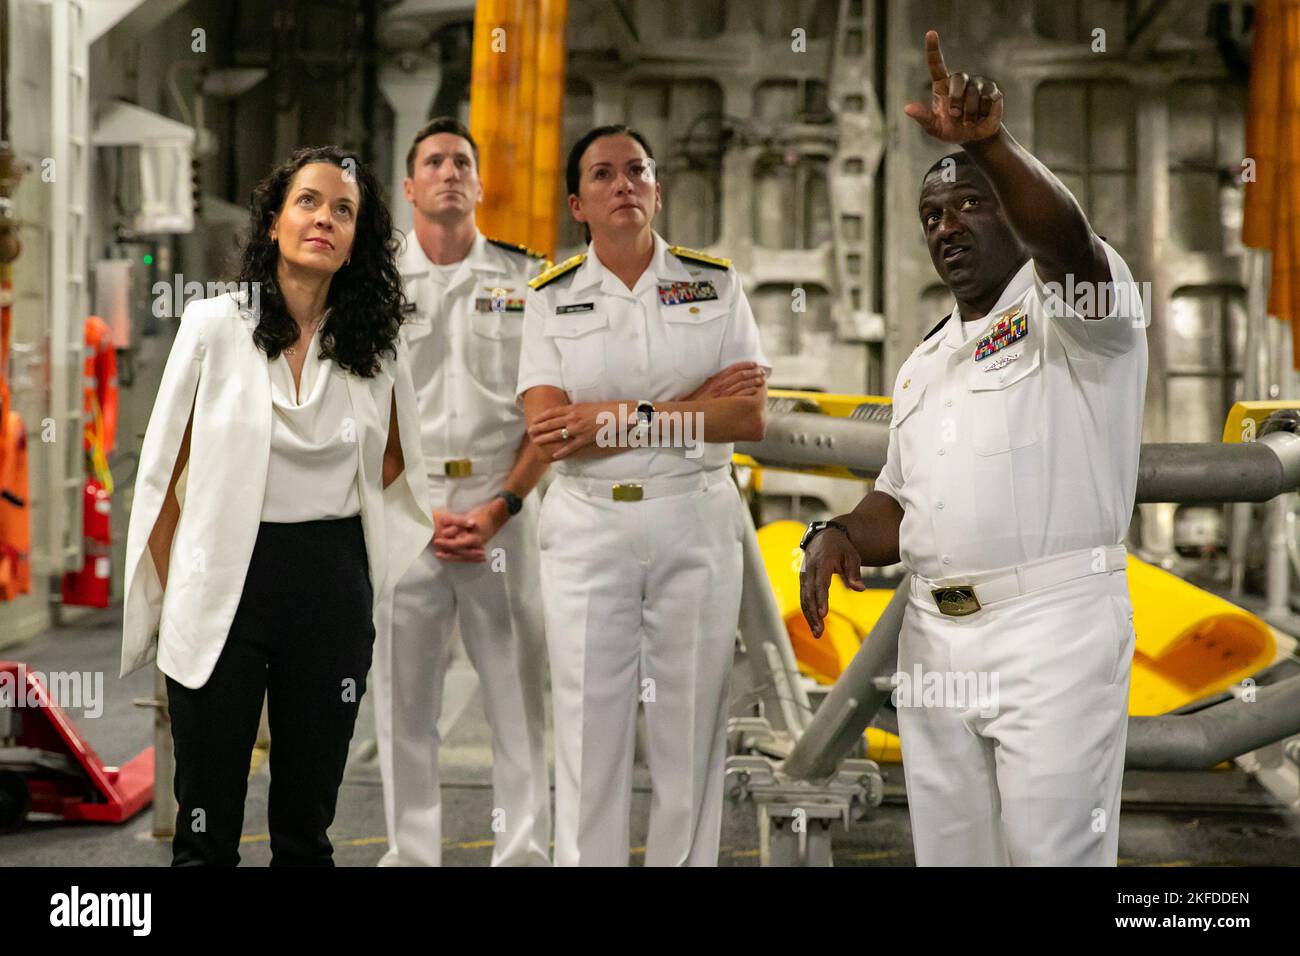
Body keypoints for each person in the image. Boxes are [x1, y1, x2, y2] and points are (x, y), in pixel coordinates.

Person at [799, 31, 1147, 866]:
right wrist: (842, 532)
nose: (945, 225)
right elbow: (901, 496)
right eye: (931, 216)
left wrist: (987, 142)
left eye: (968, 204)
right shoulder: (925, 360)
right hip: (935, 640)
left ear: (1014, 205)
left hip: (1051, 632)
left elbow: (1065, 239)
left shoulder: (1078, 306)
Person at [120, 146, 432, 866]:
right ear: (272, 223)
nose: (325, 218)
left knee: (304, 829)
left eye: (344, 210)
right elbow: (168, 470)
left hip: (328, 581)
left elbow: (394, 460)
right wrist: (178, 591)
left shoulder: (375, 342)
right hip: (221, 575)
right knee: (204, 831)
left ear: (357, 240)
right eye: (309, 202)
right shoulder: (212, 326)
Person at [517, 124, 770, 866]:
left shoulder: (715, 283)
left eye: (637, 171)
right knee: (590, 731)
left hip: (694, 515)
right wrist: (693, 404)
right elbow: (552, 434)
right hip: (590, 526)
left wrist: (619, 416)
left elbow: (748, 416)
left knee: (689, 732)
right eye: (603, 175)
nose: (623, 183)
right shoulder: (549, 298)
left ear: (657, 191)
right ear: (577, 203)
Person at [372, 117, 551, 867]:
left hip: (501, 514)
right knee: (405, 707)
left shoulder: (528, 280)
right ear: (409, 187)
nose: (449, 172)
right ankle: (412, 856)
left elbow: (550, 415)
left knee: (518, 701)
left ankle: (523, 853)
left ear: (479, 185)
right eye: (434, 162)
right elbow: (361, 410)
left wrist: (500, 505)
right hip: (405, 514)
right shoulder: (371, 287)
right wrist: (410, 508)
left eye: (462, 162)